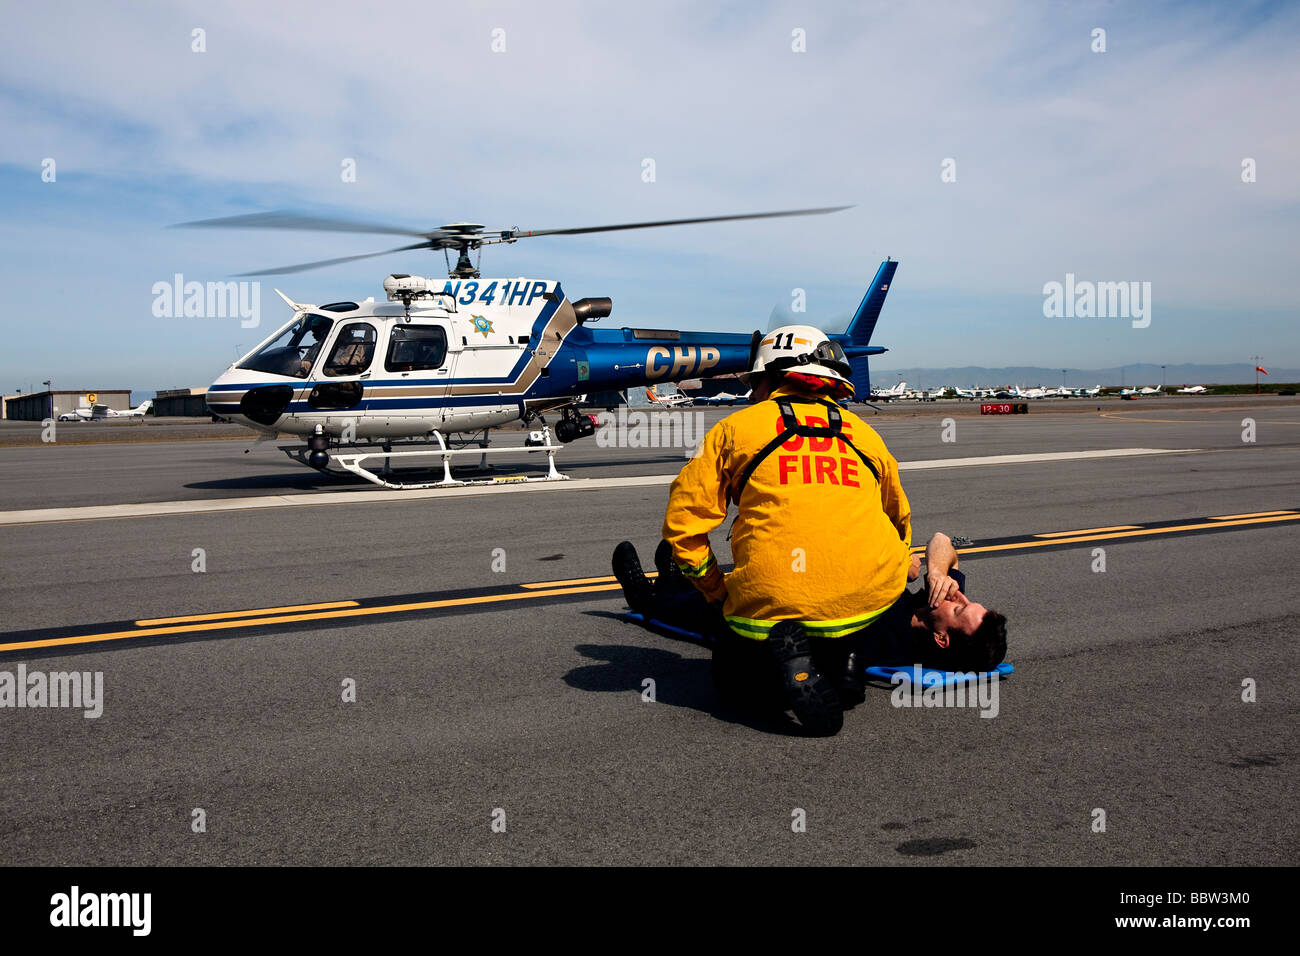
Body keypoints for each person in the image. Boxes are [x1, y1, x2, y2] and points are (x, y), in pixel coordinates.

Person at [615, 324, 914, 736]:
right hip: (867, 600)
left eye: (755, 381)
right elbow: (899, 521)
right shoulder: (866, 435)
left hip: (773, 596)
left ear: (772, 375)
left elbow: (683, 527)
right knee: (846, 607)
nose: (753, 390)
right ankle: (844, 666)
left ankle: (775, 680)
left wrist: (717, 590)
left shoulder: (736, 429)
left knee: (733, 686)